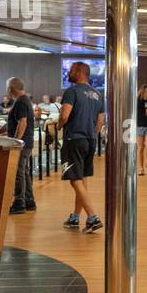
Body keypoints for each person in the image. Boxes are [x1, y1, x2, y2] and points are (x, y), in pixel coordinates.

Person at [59, 61, 105, 233]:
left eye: (72, 70)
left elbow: (65, 115)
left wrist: (58, 126)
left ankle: (93, 217)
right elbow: (100, 120)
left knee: (74, 179)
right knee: (82, 179)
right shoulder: (98, 94)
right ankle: (75, 217)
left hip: (74, 138)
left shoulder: (71, 92)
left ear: (80, 72)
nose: (69, 72)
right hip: (90, 140)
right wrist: (93, 134)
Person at [5, 77, 36, 214]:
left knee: (18, 173)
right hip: (27, 142)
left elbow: (22, 123)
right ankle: (29, 201)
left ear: (10, 89)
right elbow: (14, 122)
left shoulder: (20, 102)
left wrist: (16, 142)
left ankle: (19, 203)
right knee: (24, 172)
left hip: (22, 144)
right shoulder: (25, 100)